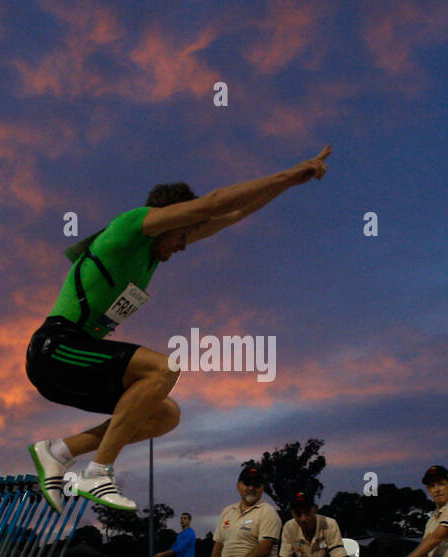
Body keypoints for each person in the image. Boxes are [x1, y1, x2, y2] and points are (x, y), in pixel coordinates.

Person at [26, 146, 333, 512]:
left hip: (75, 361)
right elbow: (212, 204)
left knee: (164, 414)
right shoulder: (130, 226)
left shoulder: (148, 255)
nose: (185, 246)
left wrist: (290, 184)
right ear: (167, 220)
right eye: (182, 235)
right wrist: (287, 171)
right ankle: (97, 472)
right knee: (165, 368)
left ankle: (60, 451)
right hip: (54, 349)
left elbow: (230, 214)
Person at [188, 467, 281, 557]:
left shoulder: (268, 511)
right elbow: (218, 545)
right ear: (239, 486)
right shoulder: (228, 511)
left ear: (262, 488)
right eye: (247, 484)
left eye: (256, 485)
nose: (251, 488)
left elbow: (264, 549)